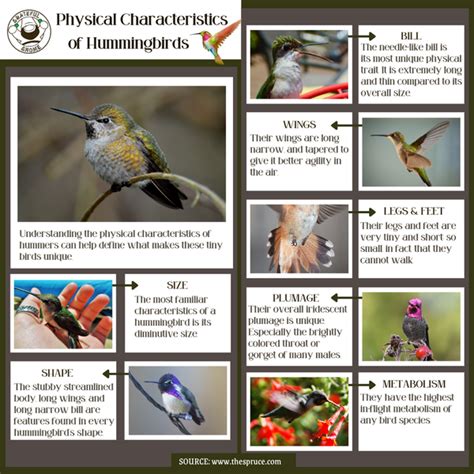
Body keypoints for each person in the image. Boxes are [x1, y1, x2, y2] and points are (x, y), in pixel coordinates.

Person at [14, 282, 112, 349]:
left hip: (70, 331)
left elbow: (67, 326)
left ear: (51, 306)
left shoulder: (56, 316)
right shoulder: (51, 312)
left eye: (45, 302)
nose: (41, 301)